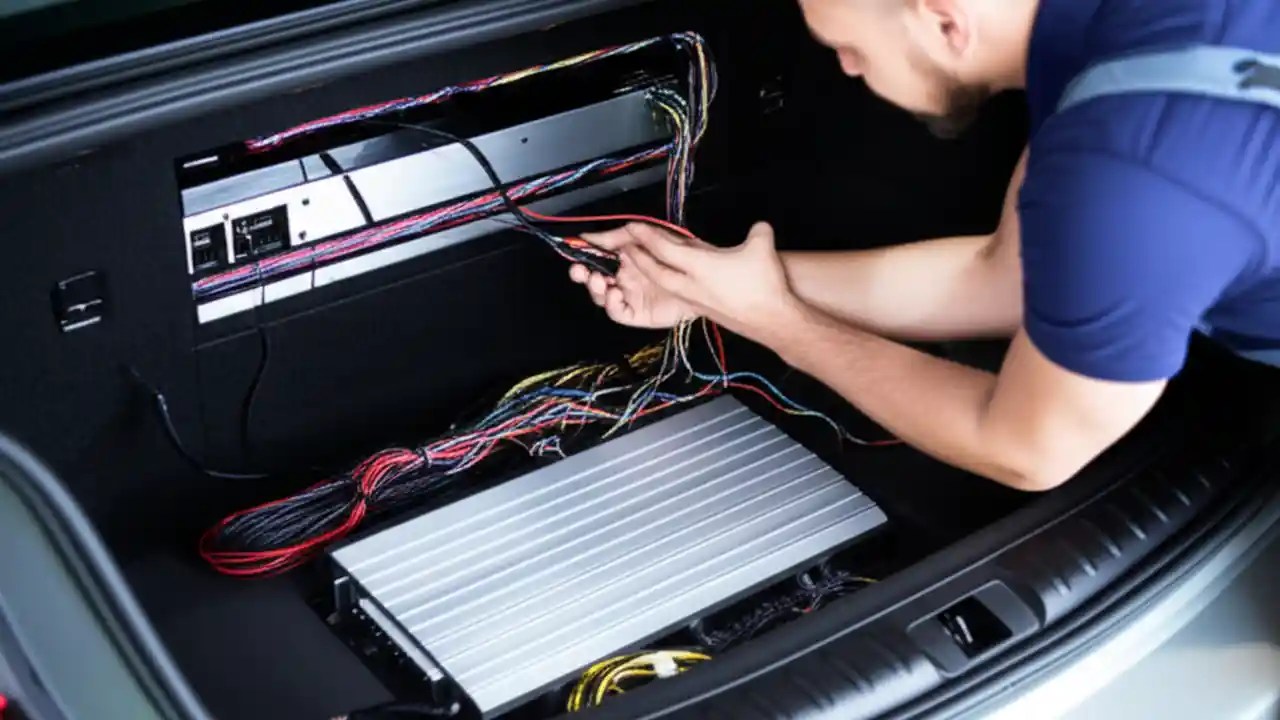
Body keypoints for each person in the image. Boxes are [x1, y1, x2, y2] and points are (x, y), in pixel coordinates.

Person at [569, 0, 1280, 492]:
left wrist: (780, 325)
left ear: (945, 21)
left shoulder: (1130, 173)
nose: (846, 69)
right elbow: (1006, 276)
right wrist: (718, 287)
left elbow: (1027, 448)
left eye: (848, 48)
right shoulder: (1124, 41)